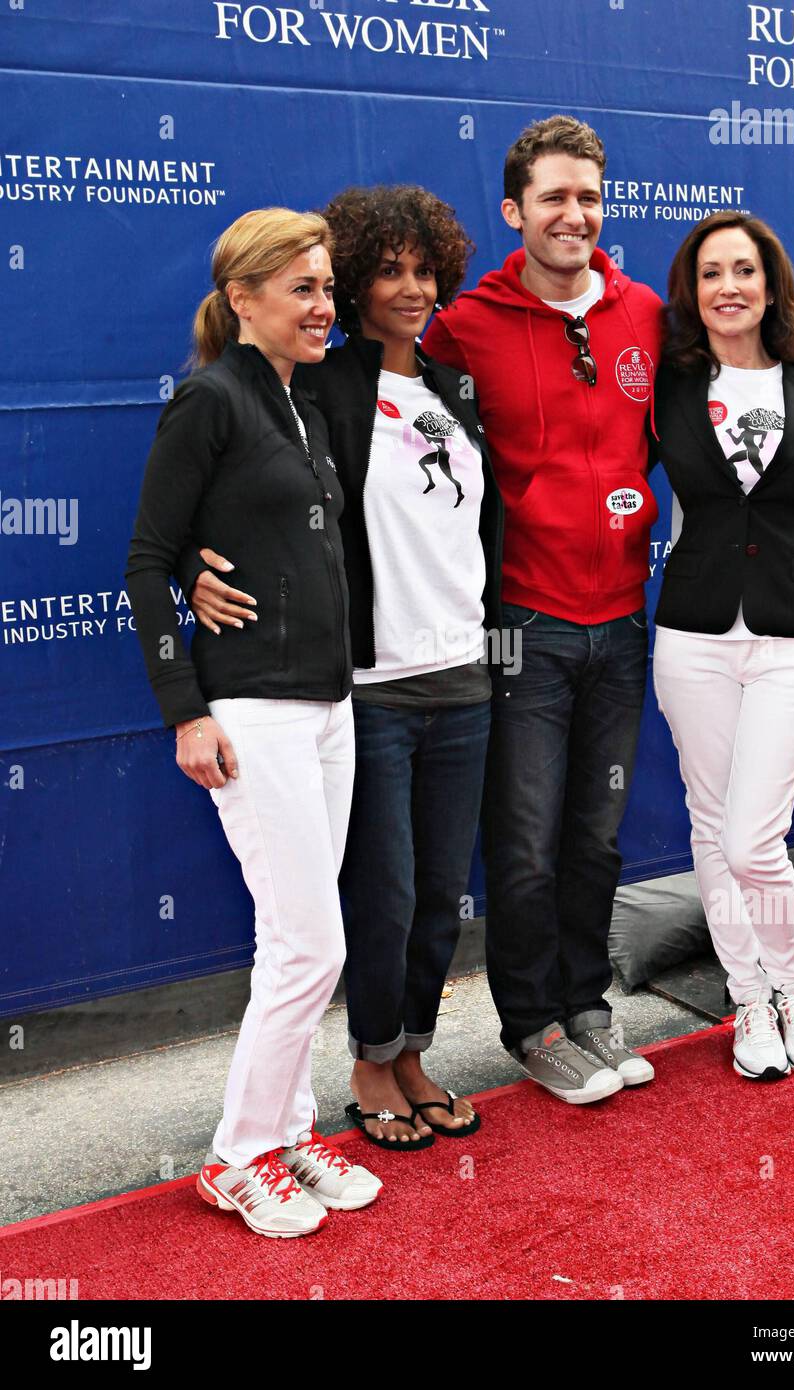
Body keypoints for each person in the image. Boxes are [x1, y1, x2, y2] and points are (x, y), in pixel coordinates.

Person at [422, 115, 794, 1103]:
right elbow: (378, 411)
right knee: (522, 843)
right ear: (514, 210)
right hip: (520, 621)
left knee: (595, 839)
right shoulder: (465, 325)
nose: (576, 215)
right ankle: (536, 1026)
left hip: (623, 620)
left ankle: (590, 1008)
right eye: (555, 198)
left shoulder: (649, 313)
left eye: (590, 197)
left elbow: (742, 380)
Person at [178, 186, 503, 1148]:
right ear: (349, 287)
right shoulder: (321, 380)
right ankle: (367, 1061)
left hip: (465, 672)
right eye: (387, 270)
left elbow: (477, 525)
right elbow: (244, 478)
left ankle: (411, 1050)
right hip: (366, 686)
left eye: (424, 268)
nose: (410, 288)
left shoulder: (453, 386)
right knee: (383, 894)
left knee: (442, 890)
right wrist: (195, 566)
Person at [125, 207, 382, 1236]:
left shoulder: (301, 404)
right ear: (243, 300)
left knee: (299, 936)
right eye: (304, 290)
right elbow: (148, 559)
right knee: (310, 947)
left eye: (327, 287)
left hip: (327, 706)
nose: (326, 306)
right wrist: (186, 711)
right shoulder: (208, 400)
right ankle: (238, 1154)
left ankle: (290, 1126)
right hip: (249, 710)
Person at [650, 210, 794, 1080]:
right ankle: (748, 1005)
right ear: (693, 291)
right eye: (711, 273)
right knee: (712, 829)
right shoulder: (668, 388)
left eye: (744, 270)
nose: (728, 287)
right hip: (695, 634)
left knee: (754, 838)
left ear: (770, 284)